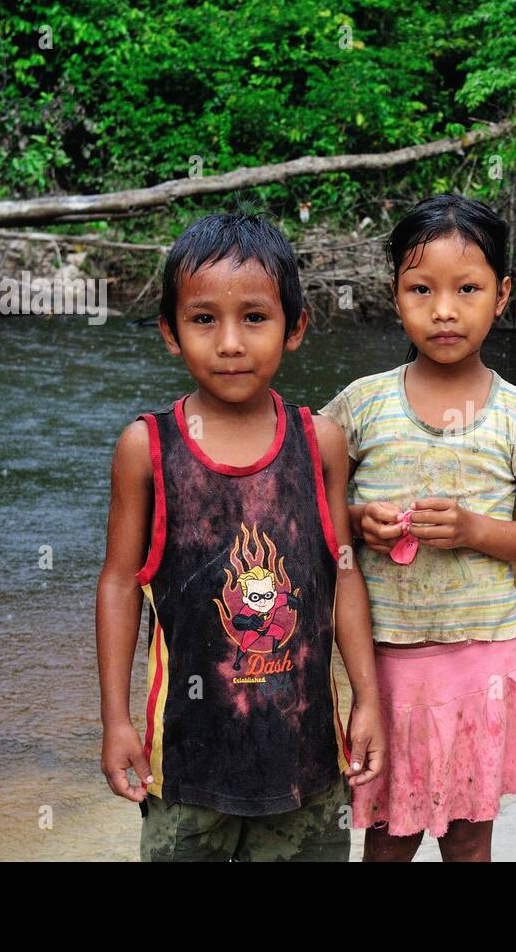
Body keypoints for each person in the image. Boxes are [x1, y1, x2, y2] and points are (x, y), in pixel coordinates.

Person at [95, 213, 386, 861]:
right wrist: (116, 719)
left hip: (305, 765)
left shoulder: (320, 444)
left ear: (296, 327)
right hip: (188, 769)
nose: (230, 342)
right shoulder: (147, 450)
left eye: (255, 317)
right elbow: (118, 581)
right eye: (204, 319)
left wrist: (367, 698)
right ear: (170, 332)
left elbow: (341, 570)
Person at [319, 194, 516, 861]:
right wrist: (354, 520)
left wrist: (472, 530)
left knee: (467, 837)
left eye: (468, 288)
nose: (445, 309)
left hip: (482, 658)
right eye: (421, 289)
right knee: (386, 838)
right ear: (396, 295)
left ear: (502, 294)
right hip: (386, 663)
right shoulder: (361, 405)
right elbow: (306, 509)